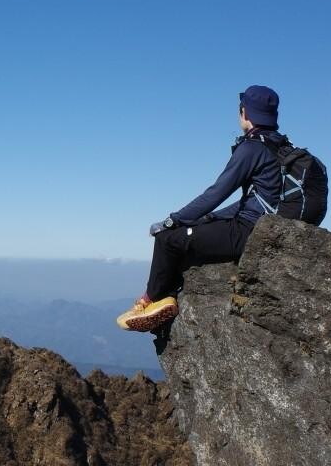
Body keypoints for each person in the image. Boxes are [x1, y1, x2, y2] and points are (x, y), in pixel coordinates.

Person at [117, 84, 287, 332]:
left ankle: (152, 300)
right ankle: (166, 296)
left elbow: (216, 193)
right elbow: (254, 201)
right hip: (266, 227)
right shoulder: (282, 147)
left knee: (168, 239)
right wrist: (204, 219)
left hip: (249, 231)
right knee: (191, 232)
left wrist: (172, 220)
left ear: (245, 112)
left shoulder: (252, 148)